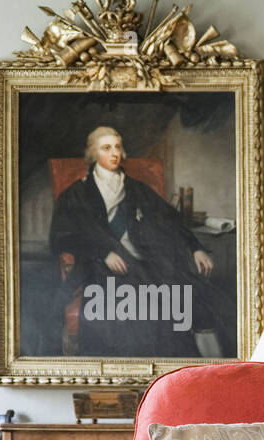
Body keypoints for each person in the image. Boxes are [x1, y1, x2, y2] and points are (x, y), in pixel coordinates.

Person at [49, 125, 235, 358]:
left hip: (147, 263)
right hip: (100, 268)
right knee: (141, 312)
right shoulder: (76, 194)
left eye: (117, 147)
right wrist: (103, 252)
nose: (114, 153)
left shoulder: (137, 189)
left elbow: (172, 220)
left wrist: (195, 248)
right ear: (93, 154)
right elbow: (60, 239)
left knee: (200, 300)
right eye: (106, 148)